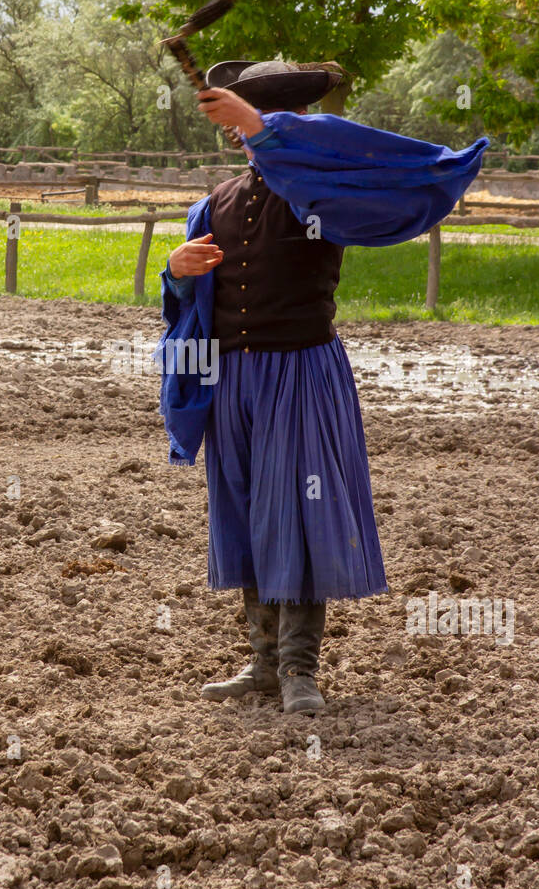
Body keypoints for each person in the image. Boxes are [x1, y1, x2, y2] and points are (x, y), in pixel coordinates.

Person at [158, 59, 488, 715]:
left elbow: (322, 158)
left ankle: (300, 670)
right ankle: (262, 666)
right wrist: (176, 270)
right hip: (234, 381)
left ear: (293, 122)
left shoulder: (320, 192)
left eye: (257, 117)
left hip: (301, 374)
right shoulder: (214, 204)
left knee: (297, 521)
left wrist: (265, 130)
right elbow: (187, 305)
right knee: (250, 520)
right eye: (242, 119)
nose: (237, 132)